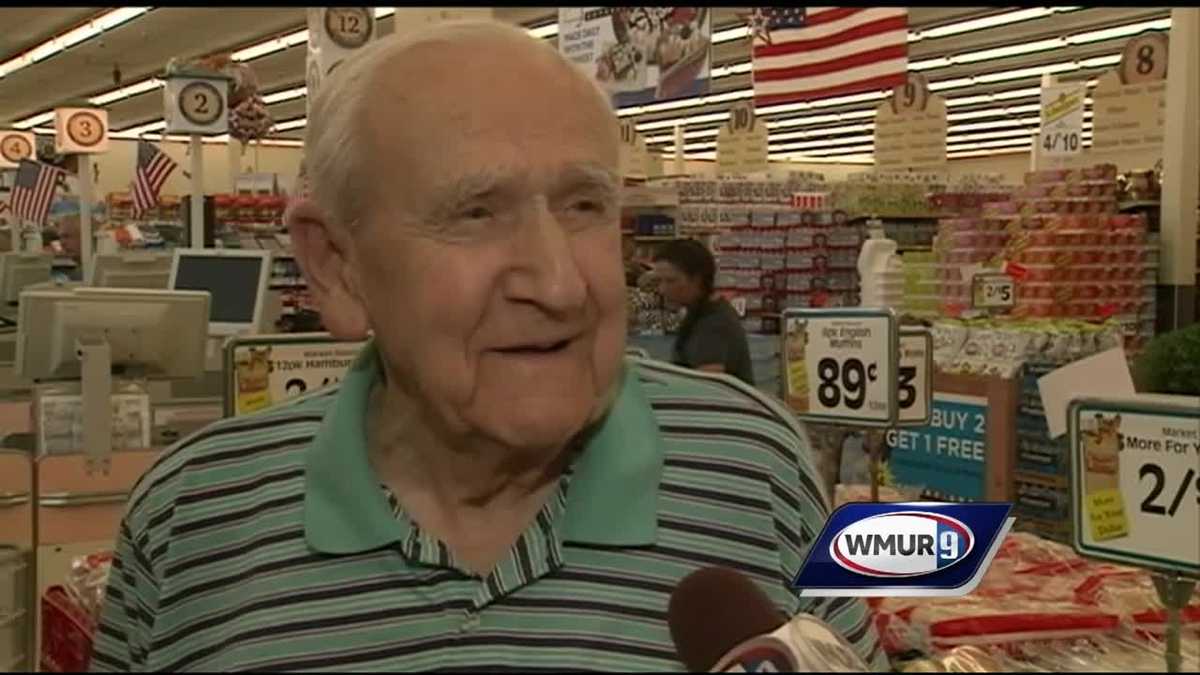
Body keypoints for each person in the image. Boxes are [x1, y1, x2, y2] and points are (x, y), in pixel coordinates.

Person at [90, 22, 885, 672]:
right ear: (336, 264)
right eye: (475, 212)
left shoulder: (753, 466)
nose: (560, 283)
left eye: (583, 205)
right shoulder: (193, 517)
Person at [653, 238, 755, 385]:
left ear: (697, 280)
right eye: (659, 281)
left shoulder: (713, 325)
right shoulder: (700, 313)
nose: (662, 290)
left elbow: (705, 390)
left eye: (671, 281)